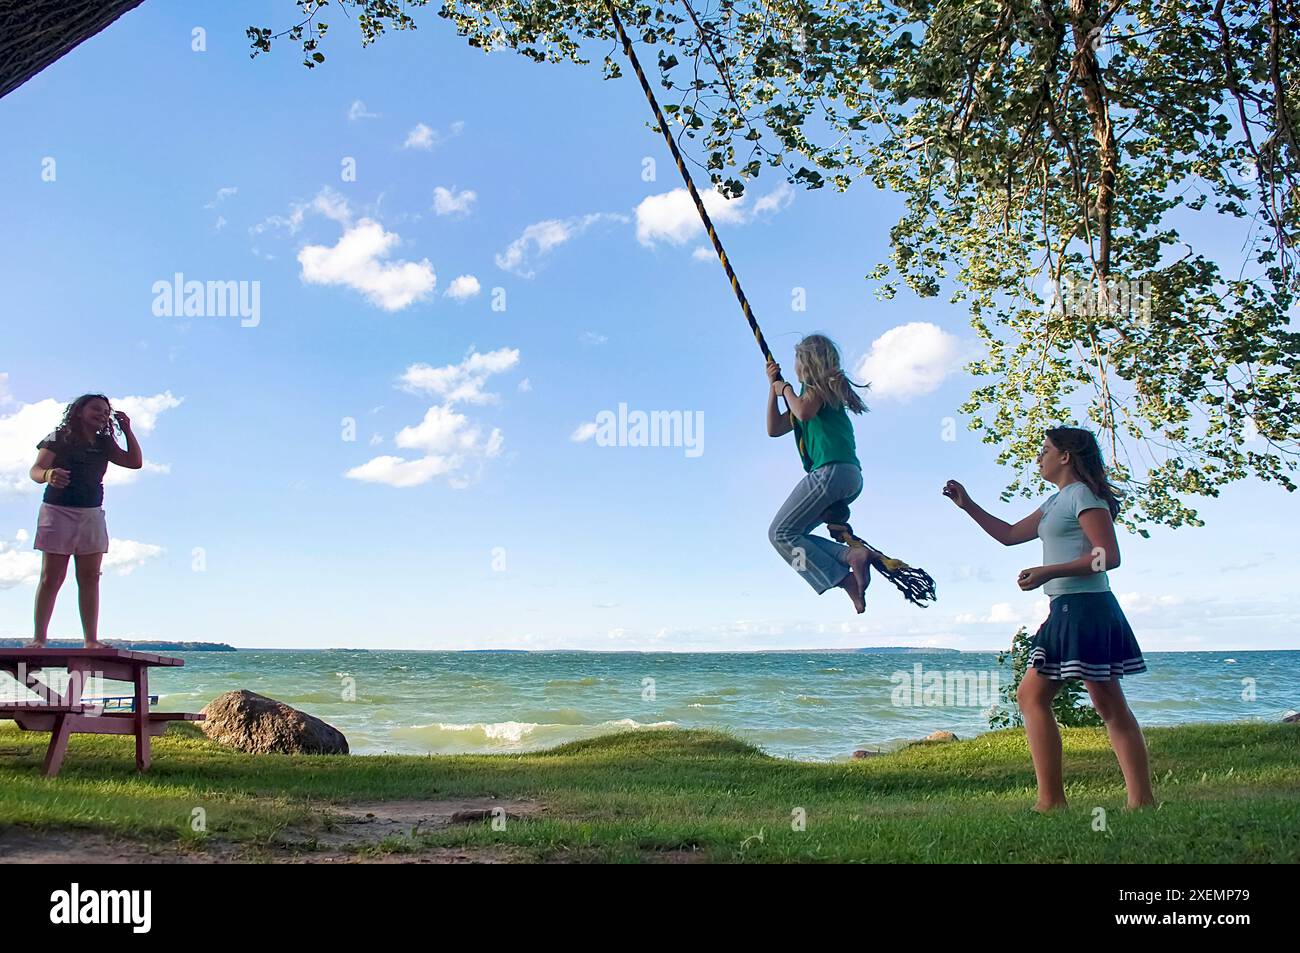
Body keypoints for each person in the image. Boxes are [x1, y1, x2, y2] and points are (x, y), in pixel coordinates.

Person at [943, 426, 1155, 810]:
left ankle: (1054, 801)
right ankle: (1135, 801)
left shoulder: (1085, 497)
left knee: (1037, 696)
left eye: (1045, 450)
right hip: (1069, 609)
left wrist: (1048, 571)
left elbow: (1108, 556)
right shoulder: (1054, 503)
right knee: (1105, 705)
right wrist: (968, 505)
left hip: (1086, 608)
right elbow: (1008, 534)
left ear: (1066, 457)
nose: (1038, 457)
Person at [766, 334, 876, 613]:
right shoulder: (813, 394)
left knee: (780, 534)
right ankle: (851, 557)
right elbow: (775, 429)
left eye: (797, 360)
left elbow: (802, 412)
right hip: (847, 475)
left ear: (807, 361)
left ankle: (846, 576)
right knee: (792, 535)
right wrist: (773, 390)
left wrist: (786, 389)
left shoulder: (821, 385)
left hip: (831, 470)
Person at [27, 394, 142, 648]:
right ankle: (39, 639)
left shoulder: (104, 442)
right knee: (52, 577)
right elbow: (35, 470)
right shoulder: (59, 436)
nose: (101, 414)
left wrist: (127, 430)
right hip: (57, 511)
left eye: (105, 411)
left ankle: (90, 640)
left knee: (90, 576)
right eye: (96, 409)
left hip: (91, 512)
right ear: (79, 411)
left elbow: (134, 463)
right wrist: (48, 474)